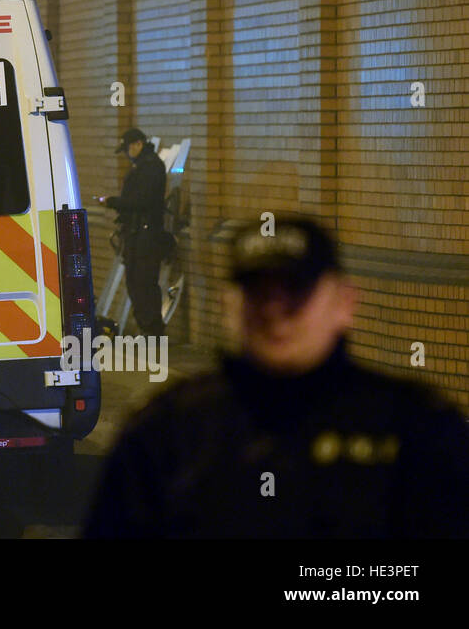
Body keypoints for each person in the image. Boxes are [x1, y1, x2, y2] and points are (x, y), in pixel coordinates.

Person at [82, 215, 469, 538]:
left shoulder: (417, 428)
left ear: (344, 303)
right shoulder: (169, 432)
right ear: (229, 306)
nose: (274, 309)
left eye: (295, 290)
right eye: (257, 292)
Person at [97, 127, 168, 336]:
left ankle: (152, 329)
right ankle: (146, 327)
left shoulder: (151, 167)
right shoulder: (142, 166)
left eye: (128, 149)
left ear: (138, 144)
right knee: (134, 281)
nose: (127, 154)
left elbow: (142, 201)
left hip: (147, 233)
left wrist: (113, 202)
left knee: (144, 281)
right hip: (136, 232)